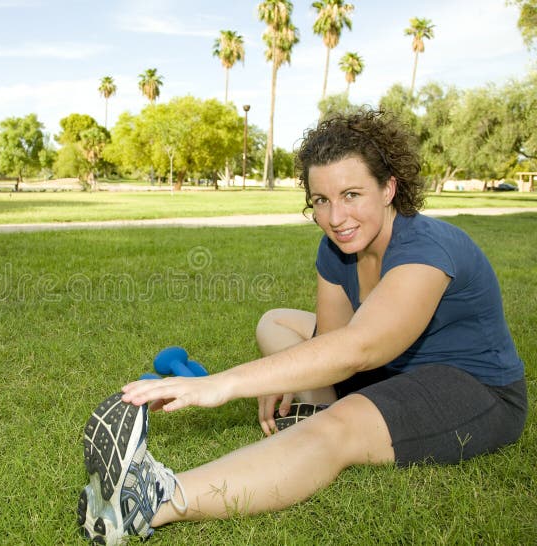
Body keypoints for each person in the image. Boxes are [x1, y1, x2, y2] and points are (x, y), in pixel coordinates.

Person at [76, 109, 528, 544]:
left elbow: (356, 349)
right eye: (321, 201)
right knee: (275, 322)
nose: (335, 218)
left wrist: (223, 384)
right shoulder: (335, 250)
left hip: (471, 388)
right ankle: (312, 412)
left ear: (389, 189)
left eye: (352, 195)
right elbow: (332, 347)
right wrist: (288, 372)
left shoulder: (426, 249)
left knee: (340, 426)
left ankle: (153, 501)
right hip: (391, 371)